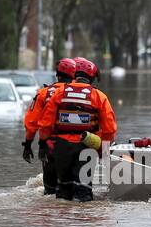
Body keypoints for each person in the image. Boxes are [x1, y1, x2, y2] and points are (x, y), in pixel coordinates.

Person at [36, 57, 117, 201]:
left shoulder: (59, 93)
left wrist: (42, 144)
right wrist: (103, 151)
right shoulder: (99, 96)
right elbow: (109, 129)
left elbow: (46, 123)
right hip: (87, 146)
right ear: (91, 77)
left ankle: (63, 220)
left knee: (63, 191)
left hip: (62, 147)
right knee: (83, 191)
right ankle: (81, 222)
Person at [22, 57, 76, 195]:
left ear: (57, 74)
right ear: (74, 75)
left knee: (50, 193)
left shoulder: (43, 93)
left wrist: (28, 145)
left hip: (50, 146)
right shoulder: (80, 94)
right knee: (76, 191)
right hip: (77, 146)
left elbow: (31, 123)